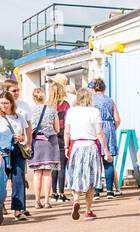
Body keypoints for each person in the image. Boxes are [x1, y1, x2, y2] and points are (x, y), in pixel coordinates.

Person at [63, 88, 107, 221]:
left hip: (76, 146)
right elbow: (99, 132)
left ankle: (76, 200)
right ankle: (88, 210)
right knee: (91, 179)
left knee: (77, 174)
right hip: (91, 146)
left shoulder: (71, 111)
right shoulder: (94, 111)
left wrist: (66, 147)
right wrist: (106, 150)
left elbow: (67, 132)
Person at [0, 90, 31, 220]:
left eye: (6, 103)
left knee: (19, 179)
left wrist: (20, 137)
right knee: (1, 180)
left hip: (17, 150)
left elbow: (23, 136)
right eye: (1, 103)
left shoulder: (20, 117)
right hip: (2, 151)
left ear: (12, 103)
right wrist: (7, 137)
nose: (3, 105)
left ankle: (19, 210)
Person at [28, 86, 61, 209]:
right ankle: (47, 201)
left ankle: (37, 201)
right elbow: (57, 129)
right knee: (48, 173)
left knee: (37, 173)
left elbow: (28, 128)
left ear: (33, 98)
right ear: (44, 97)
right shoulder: (52, 110)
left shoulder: (30, 111)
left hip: (36, 143)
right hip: (50, 143)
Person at [89, 78, 121, 196]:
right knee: (109, 161)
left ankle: (96, 191)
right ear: (104, 88)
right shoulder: (110, 100)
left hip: (95, 129)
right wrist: (112, 128)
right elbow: (117, 119)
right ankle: (110, 191)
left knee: (95, 162)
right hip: (109, 127)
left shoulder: (91, 101)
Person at [50, 78, 70, 202]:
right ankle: (61, 193)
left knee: (53, 165)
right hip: (62, 135)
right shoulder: (65, 105)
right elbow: (68, 122)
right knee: (62, 165)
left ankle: (53, 193)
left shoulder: (48, 105)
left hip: (51, 136)